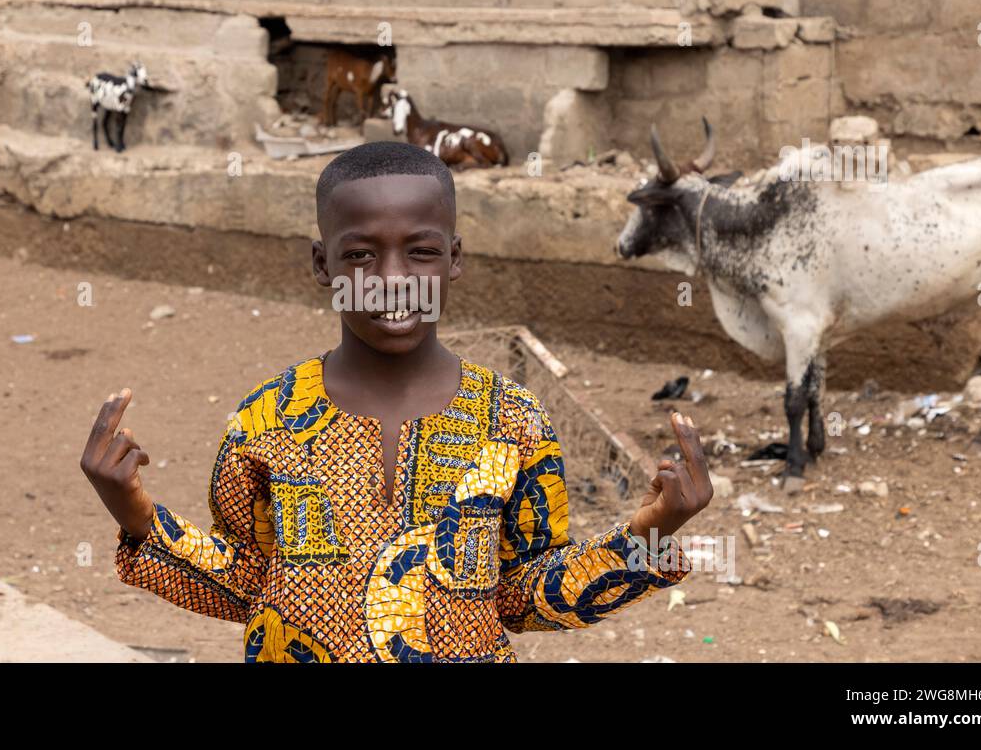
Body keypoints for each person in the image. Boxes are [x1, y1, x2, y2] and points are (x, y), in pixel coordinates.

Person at [80, 141, 714, 662]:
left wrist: (653, 532)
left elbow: (523, 596)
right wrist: (135, 515)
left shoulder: (513, 420)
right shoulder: (266, 420)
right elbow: (246, 582)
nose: (392, 280)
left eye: (421, 251)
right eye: (360, 255)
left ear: (454, 258)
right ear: (322, 264)